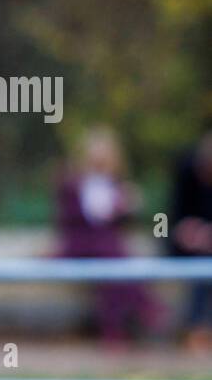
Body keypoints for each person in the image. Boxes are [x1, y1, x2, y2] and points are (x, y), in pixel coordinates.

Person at [51, 127, 161, 344]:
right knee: (112, 259)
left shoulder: (117, 184)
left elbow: (121, 224)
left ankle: (115, 330)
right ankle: (142, 306)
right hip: (79, 247)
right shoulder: (71, 183)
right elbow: (69, 221)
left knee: (111, 265)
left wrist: (127, 207)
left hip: (106, 250)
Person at [167, 126, 212, 351]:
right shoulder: (186, 171)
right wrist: (182, 230)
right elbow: (162, 220)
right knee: (201, 260)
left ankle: (198, 328)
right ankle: (197, 328)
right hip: (187, 248)